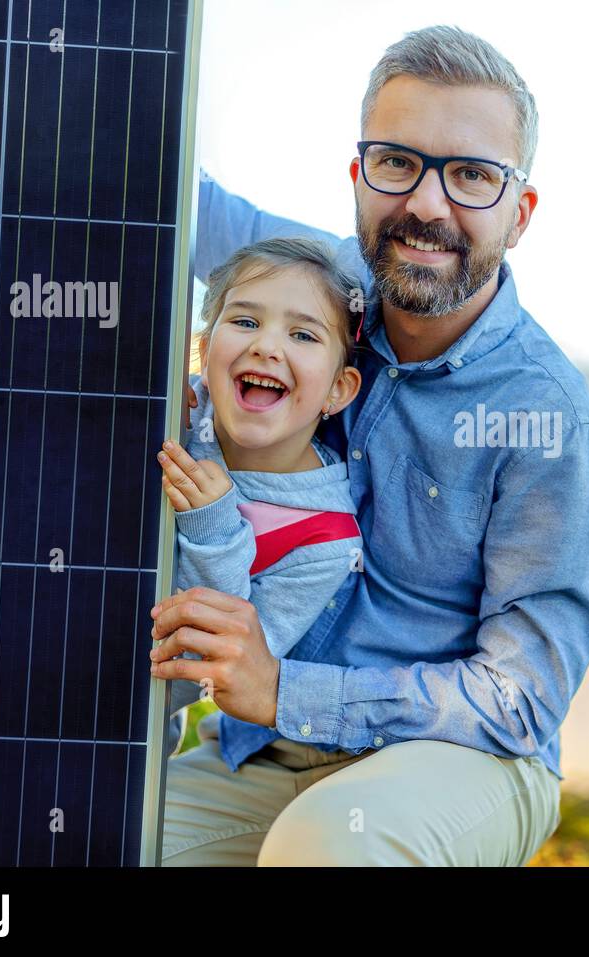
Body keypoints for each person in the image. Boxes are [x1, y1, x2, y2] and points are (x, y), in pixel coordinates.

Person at [149, 24, 589, 866]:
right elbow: (173, 194)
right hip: (268, 750)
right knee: (76, 820)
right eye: (399, 163)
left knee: (326, 845)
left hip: (468, 760)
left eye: (472, 175)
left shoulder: (553, 423)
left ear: (520, 214)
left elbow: (519, 698)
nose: (428, 205)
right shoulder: (315, 292)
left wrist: (285, 688)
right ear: (360, 177)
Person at [155, 237, 365, 757]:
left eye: (302, 334)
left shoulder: (323, 537)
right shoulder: (173, 414)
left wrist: (215, 531)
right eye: (245, 322)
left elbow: (220, 664)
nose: (267, 347)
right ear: (204, 350)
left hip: (127, 716)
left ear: (338, 390)